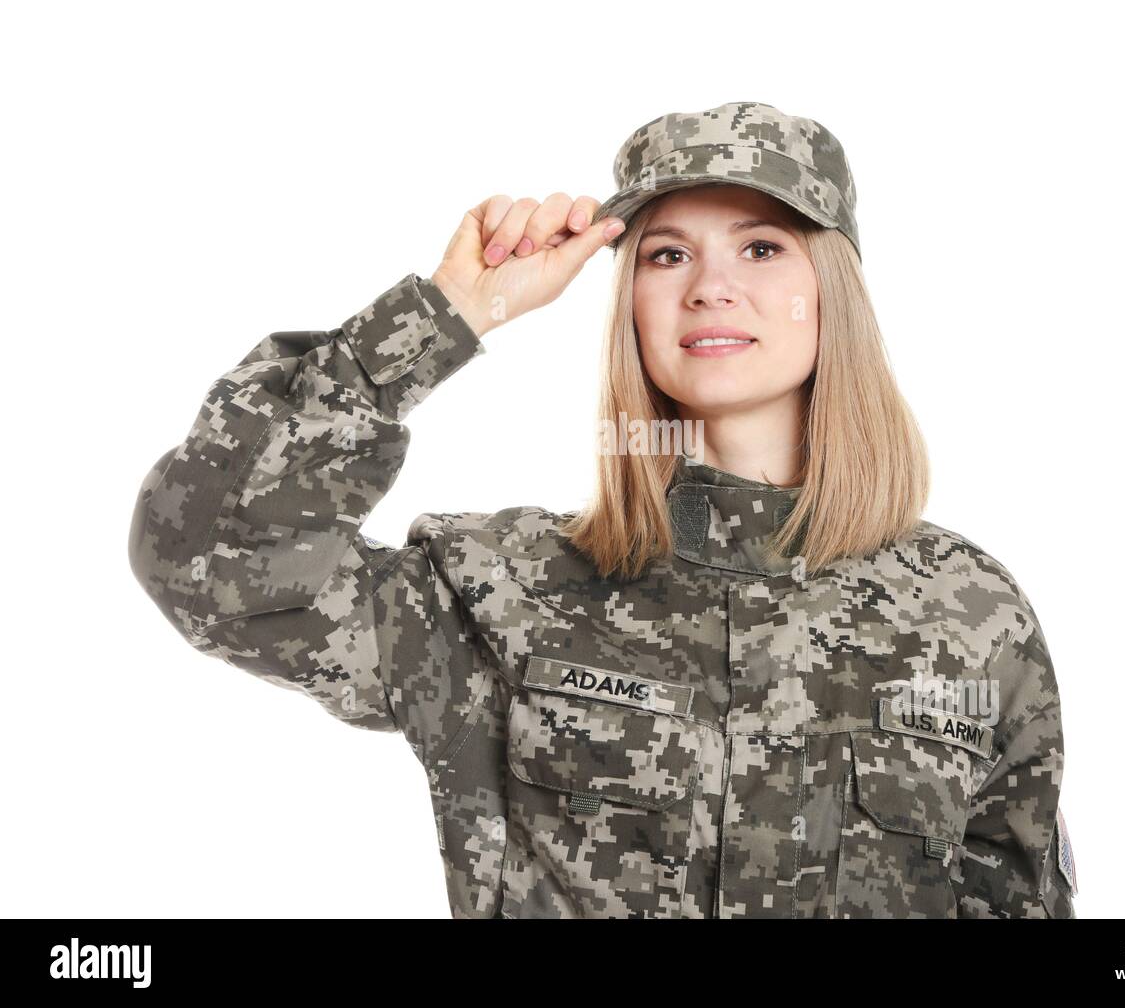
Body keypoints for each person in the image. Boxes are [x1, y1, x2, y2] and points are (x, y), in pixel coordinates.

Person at [128, 100, 1077, 918]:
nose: (712, 286)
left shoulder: (967, 612)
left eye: (761, 246)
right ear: (632, 304)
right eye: (668, 256)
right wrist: (444, 316)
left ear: (830, 293)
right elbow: (208, 555)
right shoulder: (499, 594)